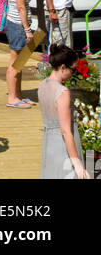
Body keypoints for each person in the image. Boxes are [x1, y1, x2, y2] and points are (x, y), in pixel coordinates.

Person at [38, 45, 90, 180]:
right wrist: (77, 164)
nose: (73, 74)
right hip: (63, 148)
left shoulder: (43, 85)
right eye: (73, 70)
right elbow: (66, 131)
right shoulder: (62, 92)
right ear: (62, 67)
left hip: (49, 145)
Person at [4, 0, 35, 108]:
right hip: (17, 25)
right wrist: (27, 29)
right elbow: (21, 6)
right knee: (15, 61)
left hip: (17, 24)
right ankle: (12, 97)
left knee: (20, 61)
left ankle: (18, 94)